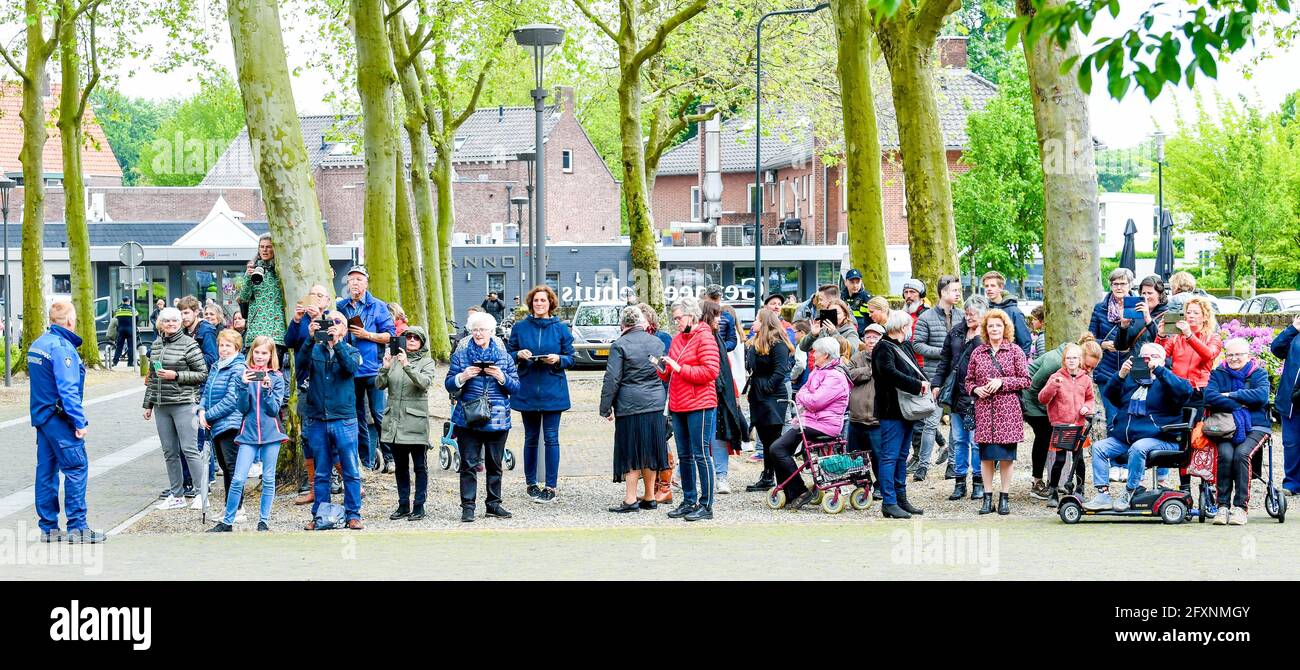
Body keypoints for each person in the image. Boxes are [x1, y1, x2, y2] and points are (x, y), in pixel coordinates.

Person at [1084, 343, 1194, 512]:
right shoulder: (1132, 380)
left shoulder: (1167, 380)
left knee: (1138, 447)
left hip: (1162, 438)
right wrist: (1120, 375)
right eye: (1144, 357)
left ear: (1163, 360)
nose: (1148, 360)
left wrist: (1159, 370)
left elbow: (1185, 391)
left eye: (1154, 357)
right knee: (1099, 447)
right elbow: (1111, 396)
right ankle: (1102, 495)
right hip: (1128, 438)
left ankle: (1130, 490)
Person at [30, 302, 102, 543]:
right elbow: (68, 390)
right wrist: (79, 422)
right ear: (71, 320)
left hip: (42, 418)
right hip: (60, 419)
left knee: (46, 472)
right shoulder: (62, 348)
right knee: (76, 467)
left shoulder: (38, 344)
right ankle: (78, 527)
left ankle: (48, 528)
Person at [208, 336, 288, 532]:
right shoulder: (242, 375)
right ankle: (227, 521)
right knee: (238, 478)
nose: (260, 356)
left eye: (264, 353)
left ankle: (263, 521)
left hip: (271, 433)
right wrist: (244, 385)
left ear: (271, 355)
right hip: (248, 432)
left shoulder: (277, 377)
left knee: (268, 478)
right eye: (257, 352)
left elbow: (273, 410)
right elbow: (242, 408)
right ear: (252, 353)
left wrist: (267, 389)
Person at [447, 311, 520, 522]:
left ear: (491, 332)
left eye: (482, 330)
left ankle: (493, 505)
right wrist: (462, 377)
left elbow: (516, 388)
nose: (478, 333)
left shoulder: (505, 357)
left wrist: (502, 377)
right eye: (475, 330)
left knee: (495, 464)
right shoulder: (461, 356)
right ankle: (468, 507)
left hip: (498, 418)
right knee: (468, 465)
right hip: (468, 418)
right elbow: (449, 384)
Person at [763, 336, 851, 510]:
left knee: (777, 449)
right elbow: (804, 393)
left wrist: (803, 396)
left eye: (816, 352)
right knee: (778, 449)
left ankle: (799, 491)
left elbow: (814, 401)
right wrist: (805, 396)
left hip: (823, 424)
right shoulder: (818, 371)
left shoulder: (835, 377)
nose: (813, 354)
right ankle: (791, 491)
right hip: (810, 421)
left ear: (825, 355)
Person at [507, 285, 575, 503]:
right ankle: (531, 483)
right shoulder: (520, 327)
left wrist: (558, 359)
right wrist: (518, 354)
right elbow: (508, 354)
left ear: (550, 303)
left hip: (553, 389)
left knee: (552, 438)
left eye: (543, 300)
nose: (539, 304)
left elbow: (571, 358)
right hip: (527, 389)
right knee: (531, 438)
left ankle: (551, 486)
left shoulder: (561, 328)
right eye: (536, 300)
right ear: (531, 303)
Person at [656, 296, 721, 522]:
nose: (675, 322)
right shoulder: (677, 339)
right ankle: (689, 500)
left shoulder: (705, 338)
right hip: (679, 403)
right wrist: (662, 368)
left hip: (700, 403)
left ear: (691, 316)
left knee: (701, 454)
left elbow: (710, 372)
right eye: (674, 319)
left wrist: (680, 368)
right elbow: (670, 373)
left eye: (678, 318)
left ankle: (706, 504)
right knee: (684, 455)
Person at [600, 306, 669, 512]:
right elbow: (662, 371)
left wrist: (605, 408)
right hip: (655, 403)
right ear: (641, 322)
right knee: (651, 449)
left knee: (630, 451)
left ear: (622, 324)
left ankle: (630, 499)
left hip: (629, 405)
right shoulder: (657, 342)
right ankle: (649, 496)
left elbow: (612, 379)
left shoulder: (619, 345)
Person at [302, 309, 366, 530]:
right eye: (328, 321)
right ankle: (320, 515)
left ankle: (353, 515)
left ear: (345, 329)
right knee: (321, 472)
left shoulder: (352, 350)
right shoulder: (314, 349)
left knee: (350, 470)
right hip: (318, 419)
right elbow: (300, 368)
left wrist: (337, 343)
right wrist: (309, 339)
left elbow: (350, 368)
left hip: (344, 419)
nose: (332, 324)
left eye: (337, 322)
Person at [964, 309, 1031, 515]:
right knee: (986, 457)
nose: (994, 329)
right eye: (991, 326)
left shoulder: (1015, 351)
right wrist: (976, 390)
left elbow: (1025, 380)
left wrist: (1002, 382)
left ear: (1005, 328)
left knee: (1006, 457)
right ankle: (987, 498)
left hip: (1008, 411)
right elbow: (968, 381)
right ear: (985, 329)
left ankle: (1004, 497)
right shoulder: (978, 352)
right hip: (984, 411)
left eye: (998, 325)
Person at [146, 307, 209, 510]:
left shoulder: (189, 344)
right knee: (169, 452)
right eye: (167, 321)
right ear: (161, 324)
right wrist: (148, 404)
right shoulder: (156, 345)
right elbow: (152, 377)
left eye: (175, 320)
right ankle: (177, 495)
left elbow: (203, 373)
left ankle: (201, 493)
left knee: (189, 450)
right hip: (161, 405)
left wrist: (177, 376)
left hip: (184, 403)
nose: (171, 324)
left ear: (180, 322)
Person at [1204, 337, 1272, 525]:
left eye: (1238, 354)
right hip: (1226, 426)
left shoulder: (1258, 373)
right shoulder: (1218, 373)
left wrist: (1231, 395)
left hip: (1256, 425)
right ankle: (1222, 506)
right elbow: (1209, 396)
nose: (1233, 358)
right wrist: (1239, 404)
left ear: (1248, 355)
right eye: (1230, 355)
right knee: (1225, 455)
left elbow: (1261, 396)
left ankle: (1240, 508)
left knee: (1242, 454)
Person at [336, 265, 396, 471]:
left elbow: (390, 335)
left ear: (366, 283)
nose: (354, 283)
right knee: (356, 416)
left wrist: (367, 335)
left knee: (379, 414)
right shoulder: (341, 307)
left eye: (359, 279)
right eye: (351, 279)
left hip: (373, 369)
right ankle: (365, 461)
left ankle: (390, 458)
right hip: (349, 369)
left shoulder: (378, 306)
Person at [872, 310, 930, 519]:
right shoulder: (882, 347)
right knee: (890, 456)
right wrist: (917, 385)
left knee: (902, 455)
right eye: (908, 326)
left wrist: (924, 382)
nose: (910, 329)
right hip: (890, 410)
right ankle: (889, 501)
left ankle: (900, 498)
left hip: (907, 410)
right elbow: (890, 374)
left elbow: (914, 369)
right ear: (901, 327)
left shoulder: (904, 345)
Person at [377, 326, 437, 521]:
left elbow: (424, 383)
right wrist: (385, 366)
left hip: (415, 422)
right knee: (401, 466)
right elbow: (379, 385)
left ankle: (419, 505)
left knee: (419, 466)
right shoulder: (394, 360)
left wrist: (407, 365)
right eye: (408, 337)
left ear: (422, 342)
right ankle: (403, 505)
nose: (411, 340)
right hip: (394, 422)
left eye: (415, 338)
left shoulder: (427, 362)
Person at [285, 285, 337, 505]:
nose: (315, 298)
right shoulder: (301, 320)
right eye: (312, 294)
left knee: (333, 434)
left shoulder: (333, 318)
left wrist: (320, 319)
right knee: (307, 435)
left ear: (327, 301)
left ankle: (345, 480)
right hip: (305, 384)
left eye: (319, 295)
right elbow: (289, 343)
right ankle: (314, 487)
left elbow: (332, 345)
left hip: (329, 385)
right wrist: (297, 320)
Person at [933, 295, 988, 501]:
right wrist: (936, 383)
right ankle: (959, 482)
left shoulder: (987, 334)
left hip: (977, 396)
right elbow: (945, 360)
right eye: (966, 314)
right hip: (956, 394)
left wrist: (977, 336)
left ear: (983, 315)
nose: (968, 317)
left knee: (976, 441)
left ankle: (978, 482)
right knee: (959, 440)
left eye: (972, 314)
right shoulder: (956, 331)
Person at [1036, 341, 1097, 507]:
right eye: (1068, 358)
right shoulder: (1056, 377)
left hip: (1078, 426)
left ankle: (1080, 489)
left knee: (1079, 460)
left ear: (1080, 360)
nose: (1071, 361)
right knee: (1060, 460)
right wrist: (1053, 386)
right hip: (1061, 426)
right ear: (1064, 360)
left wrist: (1087, 408)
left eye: (1075, 358)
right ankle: (1053, 491)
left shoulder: (1085, 379)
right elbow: (1042, 398)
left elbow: (1090, 399)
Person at [912, 275, 960, 481]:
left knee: (956, 424)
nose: (958, 294)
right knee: (930, 423)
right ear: (943, 292)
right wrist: (943, 352)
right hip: (935, 377)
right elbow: (917, 345)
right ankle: (923, 465)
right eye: (954, 290)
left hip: (958, 378)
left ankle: (953, 464)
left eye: (959, 290)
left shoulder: (962, 316)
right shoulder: (926, 317)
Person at [199, 329, 249, 525]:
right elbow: (206, 391)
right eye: (221, 345)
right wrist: (201, 410)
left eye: (228, 345)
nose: (224, 349)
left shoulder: (238, 368)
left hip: (230, 424)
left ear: (237, 348)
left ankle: (238, 508)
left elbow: (231, 400)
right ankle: (230, 506)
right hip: (216, 424)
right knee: (225, 468)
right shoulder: (216, 366)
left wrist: (208, 415)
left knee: (232, 467)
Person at [744, 309, 795, 493]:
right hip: (758, 394)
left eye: (757, 320)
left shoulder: (778, 344)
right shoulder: (757, 342)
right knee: (765, 439)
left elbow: (780, 371)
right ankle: (767, 476)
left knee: (773, 439)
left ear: (765, 322)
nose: (753, 323)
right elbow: (750, 367)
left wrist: (766, 388)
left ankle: (782, 479)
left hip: (772, 396)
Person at [701, 301, 748, 495]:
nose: (720, 320)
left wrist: (731, 393)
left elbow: (725, 369)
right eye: (716, 315)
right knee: (701, 439)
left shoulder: (717, 338)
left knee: (717, 436)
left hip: (719, 394)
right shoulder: (704, 338)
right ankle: (683, 475)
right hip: (704, 394)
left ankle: (721, 477)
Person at [638, 302, 677, 504]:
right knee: (646, 443)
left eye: (641, 319)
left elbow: (667, 368)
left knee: (661, 440)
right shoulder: (633, 339)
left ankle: (665, 486)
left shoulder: (663, 338)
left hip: (660, 395)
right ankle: (652, 487)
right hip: (641, 398)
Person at [179, 295, 219, 491]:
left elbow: (212, 359)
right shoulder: (184, 331)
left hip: (202, 387)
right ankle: (189, 480)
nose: (183, 317)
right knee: (189, 437)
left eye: (186, 312)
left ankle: (206, 479)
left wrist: (188, 357)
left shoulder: (206, 331)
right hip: (189, 386)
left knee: (200, 436)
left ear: (196, 312)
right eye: (181, 313)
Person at [1089, 268, 1135, 424]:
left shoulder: (1138, 308)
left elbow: (1145, 337)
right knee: (1112, 417)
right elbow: (1089, 339)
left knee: (1130, 416)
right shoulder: (1100, 308)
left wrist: (1129, 346)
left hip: (1131, 370)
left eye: (1123, 283)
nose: (1119, 287)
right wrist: (1102, 344)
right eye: (1115, 284)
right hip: (1106, 370)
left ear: (1130, 285)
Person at [847, 323, 885, 495]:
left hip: (876, 420)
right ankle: (863, 486)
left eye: (875, 337)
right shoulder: (857, 356)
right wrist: (869, 370)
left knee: (878, 457)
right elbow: (849, 374)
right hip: (856, 417)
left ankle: (881, 486)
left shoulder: (886, 356)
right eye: (868, 337)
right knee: (855, 457)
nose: (871, 340)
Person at [1155, 295, 1221, 395]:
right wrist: (1161, 335)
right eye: (1188, 312)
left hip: (1199, 388)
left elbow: (1208, 355)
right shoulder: (1177, 337)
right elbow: (1158, 356)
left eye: (1196, 313)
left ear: (1205, 317)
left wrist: (1189, 335)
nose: (1191, 316)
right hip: (1177, 386)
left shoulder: (1213, 337)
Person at [237, 233, 286, 352]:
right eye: (261, 246)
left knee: (275, 364)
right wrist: (248, 277)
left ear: (275, 249)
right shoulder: (253, 269)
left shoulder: (282, 270)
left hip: (276, 332)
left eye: (268, 247)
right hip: (256, 331)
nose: (264, 250)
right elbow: (244, 297)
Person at [1269, 313, 1300, 496]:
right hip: (1291, 401)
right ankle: (1292, 483)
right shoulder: (1295, 335)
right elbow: (1277, 349)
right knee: (1291, 443)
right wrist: (1292, 329)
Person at [1115, 275, 1169, 355]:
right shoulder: (1137, 314)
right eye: (1143, 293)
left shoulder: (1168, 315)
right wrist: (1124, 325)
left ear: (1160, 295)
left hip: (1156, 362)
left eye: (1150, 293)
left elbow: (1167, 346)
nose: (1146, 297)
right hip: (1136, 361)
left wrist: (1148, 319)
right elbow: (1121, 347)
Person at [980, 271, 1031, 355]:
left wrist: (1017, 360)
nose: (989, 289)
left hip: (1009, 359)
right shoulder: (983, 310)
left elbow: (1025, 342)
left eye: (992, 285)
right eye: (986, 286)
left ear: (1001, 287)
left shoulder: (1015, 312)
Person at [703, 284, 738, 353]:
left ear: (720, 298)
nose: (714, 302)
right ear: (705, 297)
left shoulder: (727, 316)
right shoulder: (698, 315)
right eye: (712, 298)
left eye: (716, 298)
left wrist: (719, 347)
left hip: (719, 355)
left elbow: (732, 340)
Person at [841, 269, 872, 334]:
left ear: (861, 282)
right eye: (852, 282)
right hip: (844, 332)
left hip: (863, 334)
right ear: (845, 282)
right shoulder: (840, 297)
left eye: (857, 282)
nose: (855, 286)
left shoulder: (867, 298)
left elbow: (872, 319)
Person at [111, 296, 136, 368]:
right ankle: (130, 363)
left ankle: (115, 362)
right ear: (129, 301)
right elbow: (137, 318)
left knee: (119, 346)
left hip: (121, 329)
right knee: (131, 346)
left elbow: (115, 318)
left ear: (122, 301)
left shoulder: (118, 309)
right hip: (130, 330)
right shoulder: (132, 309)